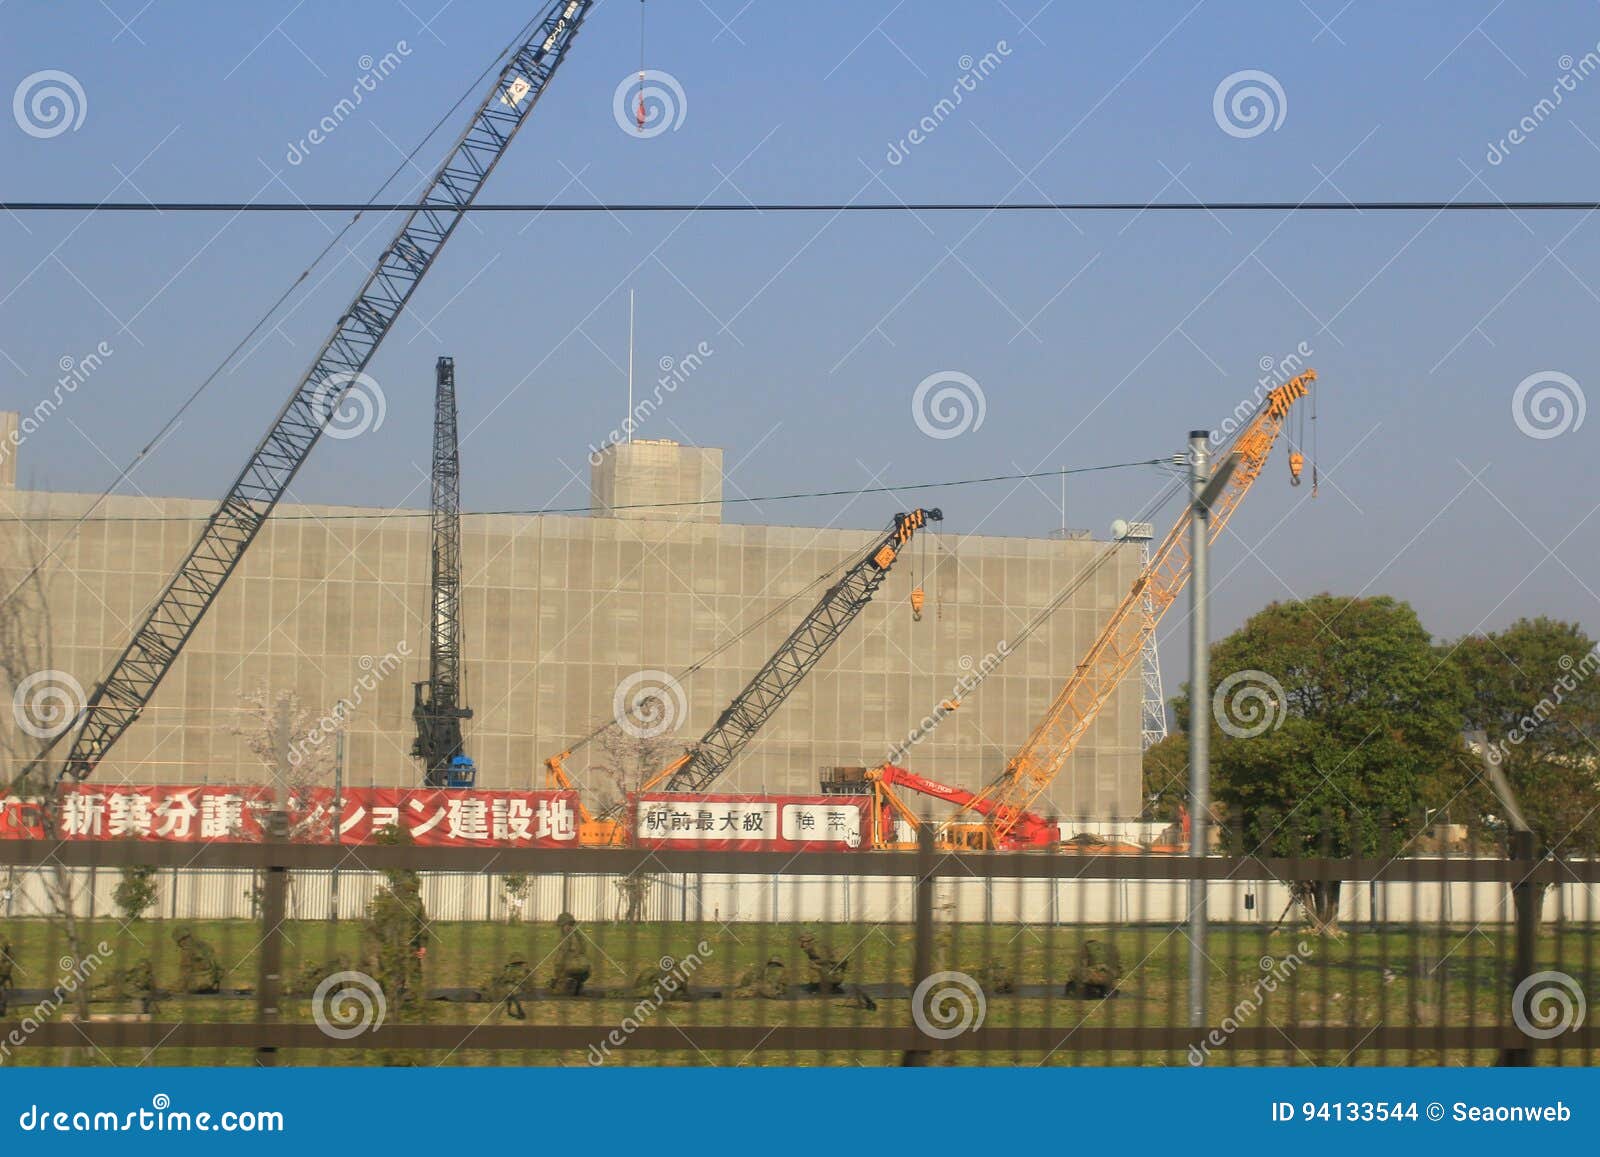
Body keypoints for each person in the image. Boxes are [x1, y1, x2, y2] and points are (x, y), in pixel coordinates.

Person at [546, 913, 591, 996]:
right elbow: (559, 962)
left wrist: (558, 978)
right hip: (576, 972)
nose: (568, 927)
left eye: (570, 925)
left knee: (556, 992)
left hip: (573, 970)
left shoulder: (571, 937)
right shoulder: (571, 937)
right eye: (567, 925)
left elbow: (559, 961)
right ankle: (573, 983)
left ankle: (572, 984)